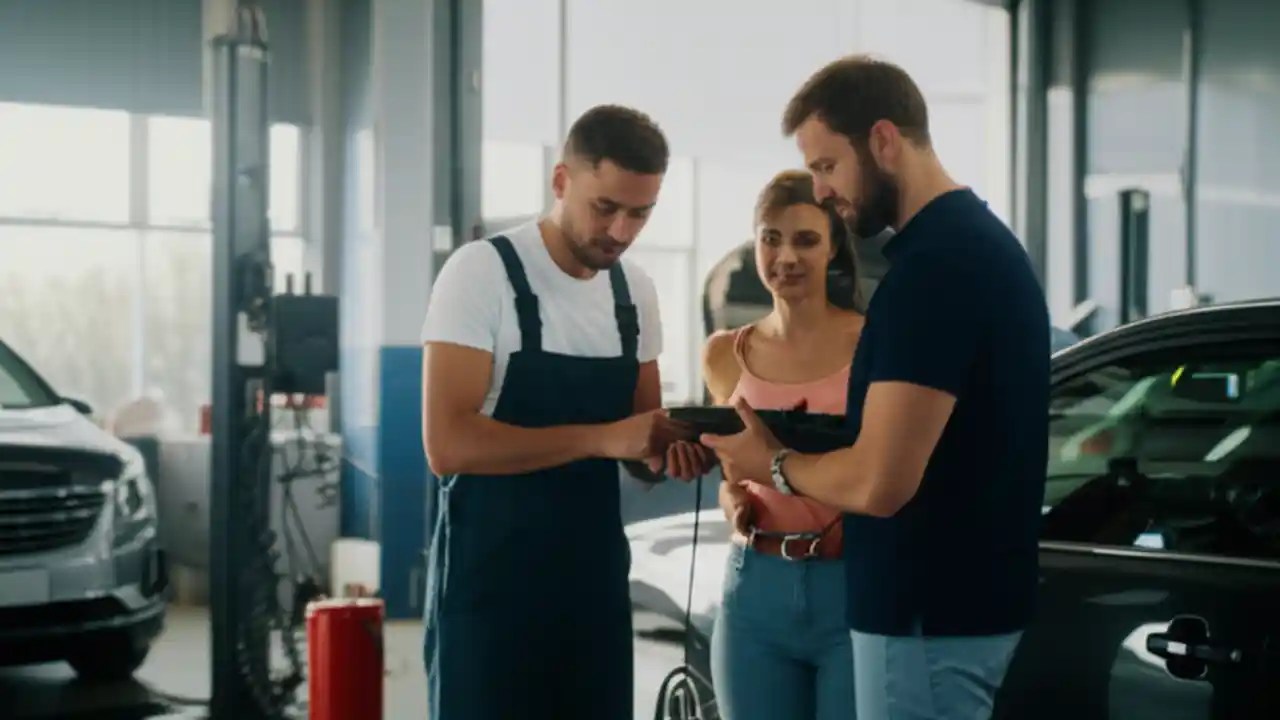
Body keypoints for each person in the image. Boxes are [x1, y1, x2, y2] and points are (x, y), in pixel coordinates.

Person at [700, 55, 1051, 720]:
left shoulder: (934, 271)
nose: (823, 189)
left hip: (925, 614)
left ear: (884, 141)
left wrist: (767, 464)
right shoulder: (971, 249)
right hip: (946, 609)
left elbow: (877, 484)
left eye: (829, 166)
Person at [419, 104, 695, 720]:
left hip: (591, 582)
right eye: (606, 208)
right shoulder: (481, 274)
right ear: (561, 181)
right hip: (490, 586)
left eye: (640, 213)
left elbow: (640, 446)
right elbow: (448, 444)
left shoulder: (635, 293)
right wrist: (602, 439)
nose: (621, 231)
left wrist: (670, 448)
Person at [704, 170, 863, 720]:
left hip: (853, 582)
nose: (785, 256)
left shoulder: (874, 343)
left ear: (834, 247)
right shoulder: (725, 354)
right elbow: (732, 475)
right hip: (755, 587)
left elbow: (889, 467)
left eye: (805, 240)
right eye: (771, 238)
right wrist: (733, 503)